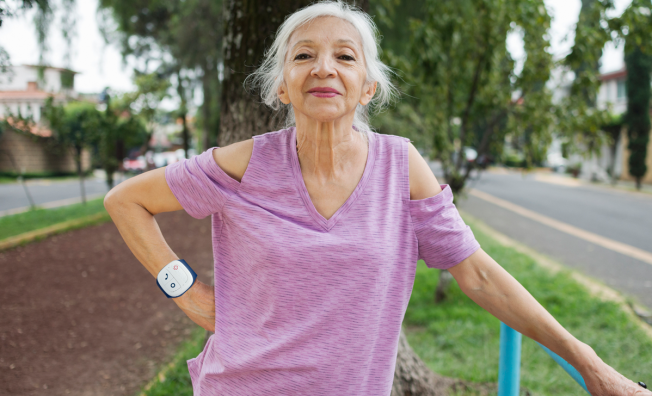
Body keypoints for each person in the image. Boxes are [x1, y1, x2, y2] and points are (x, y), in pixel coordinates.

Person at [104, 2, 651, 395]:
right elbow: (125, 201)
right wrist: (190, 294)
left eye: (345, 56)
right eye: (303, 57)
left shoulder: (400, 165)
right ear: (281, 86)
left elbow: (478, 274)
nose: (324, 67)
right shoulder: (245, 163)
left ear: (367, 87)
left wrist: (592, 366)